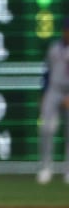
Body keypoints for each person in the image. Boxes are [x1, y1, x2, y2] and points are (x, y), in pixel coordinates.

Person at [36, 26, 69, 185]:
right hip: (54, 89)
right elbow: (46, 72)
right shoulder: (54, 49)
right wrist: (43, 94)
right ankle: (46, 168)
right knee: (46, 129)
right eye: (66, 29)